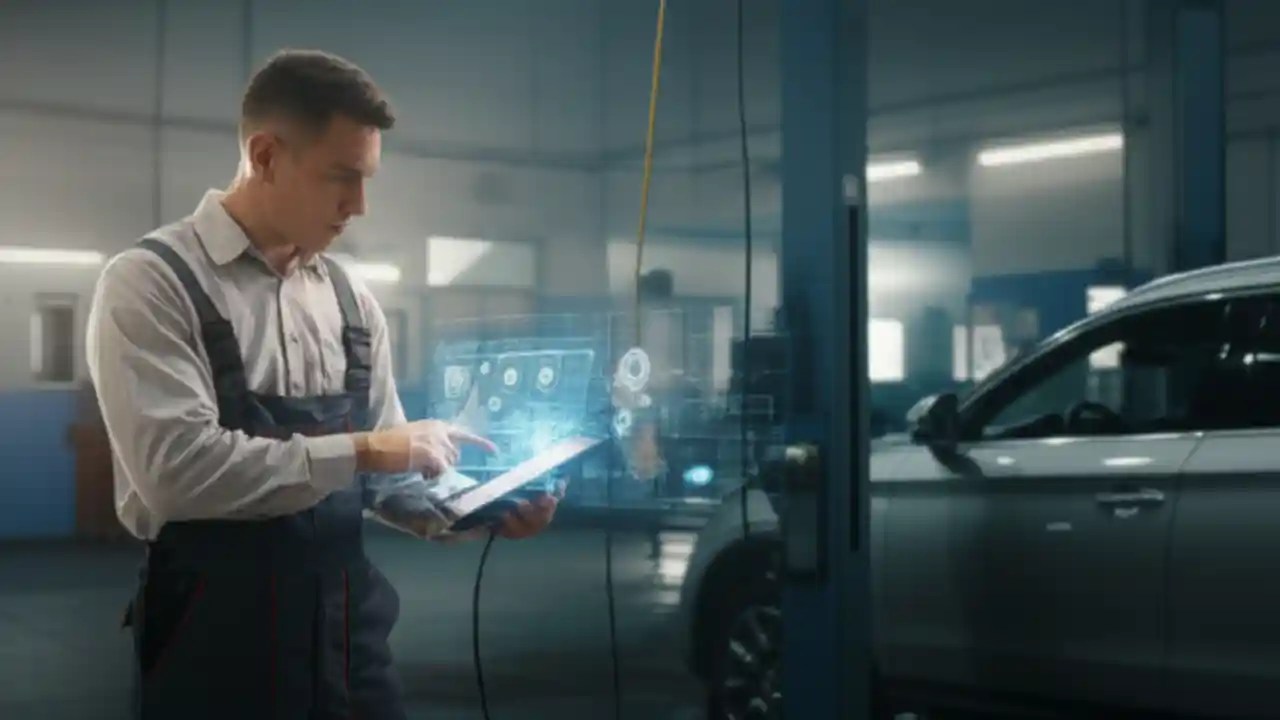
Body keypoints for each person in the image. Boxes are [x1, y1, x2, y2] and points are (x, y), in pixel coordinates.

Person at [85, 49, 559, 719]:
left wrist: (485, 509)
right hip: (213, 649)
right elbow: (178, 473)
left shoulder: (349, 300)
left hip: (347, 642)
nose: (359, 206)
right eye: (341, 177)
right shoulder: (152, 284)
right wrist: (365, 450)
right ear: (267, 156)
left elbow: (393, 482)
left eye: (367, 180)